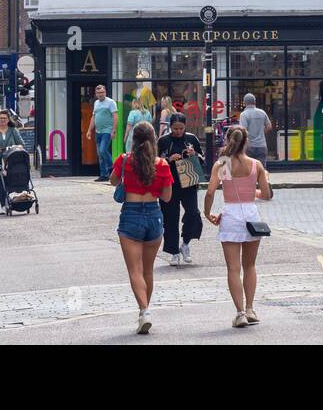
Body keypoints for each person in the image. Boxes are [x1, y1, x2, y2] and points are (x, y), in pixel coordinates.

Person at [204, 125, 273, 328]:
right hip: (251, 214)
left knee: (233, 268)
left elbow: (210, 191)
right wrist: (264, 182)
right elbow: (266, 195)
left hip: (231, 214)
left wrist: (207, 213)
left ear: (228, 139)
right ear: (246, 141)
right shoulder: (255, 164)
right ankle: (251, 308)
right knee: (249, 266)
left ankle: (240, 313)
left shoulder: (224, 164)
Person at [110, 120, 173, 334]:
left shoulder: (125, 160)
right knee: (148, 270)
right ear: (154, 139)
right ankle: (144, 311)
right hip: (154, 215)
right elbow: (166, 196)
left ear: (133, 140)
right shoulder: (162, 165)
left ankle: (144, 311)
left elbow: (112, 181)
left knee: (135, 271)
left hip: (131, 214)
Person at [157, 113, 204, 266]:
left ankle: (185, 244)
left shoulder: (191, 139)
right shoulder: (163, 141)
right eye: (175, 128)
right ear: (170, 127)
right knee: (170, 218)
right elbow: (154, 162)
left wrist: (194, 154)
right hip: (169, 184)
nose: (178, 131)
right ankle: (173, 252)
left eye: (181, 128)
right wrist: (168, 160)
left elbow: (203, 160)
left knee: (193, 213)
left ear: (185, 127)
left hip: (189, 182)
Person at [0, 109, 26, 215]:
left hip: (12, 160)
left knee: (11, 180)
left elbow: (21, 143)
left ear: (8, 120)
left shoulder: (13, 130)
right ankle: (3, 205)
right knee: (1, 183)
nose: (3, 120)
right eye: (1, 118)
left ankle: (14, 199)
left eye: (5, 118)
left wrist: (16, 147)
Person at [85, 84, 118, 181]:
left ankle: (112, 168)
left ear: (105, 92)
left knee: (103, 150)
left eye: (102, 92)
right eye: (98, 93)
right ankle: (104, 175)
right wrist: (89, 130)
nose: (100, 94)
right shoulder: (96, 103)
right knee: (100, 154)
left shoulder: (111, 102)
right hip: (98, 131)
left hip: (107, 131)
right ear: (96, 94)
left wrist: (114, 130)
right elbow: (93, 117)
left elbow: (115, 116)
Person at [239, 93, 272, 166]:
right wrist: (261, 133)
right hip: (262, 145)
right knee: (262, 169)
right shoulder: (262, 112)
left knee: (250, 170)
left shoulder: (244, 114)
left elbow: (243, 131)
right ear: (255, 101)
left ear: (244, 102)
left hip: (249, 146)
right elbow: (269, 126)